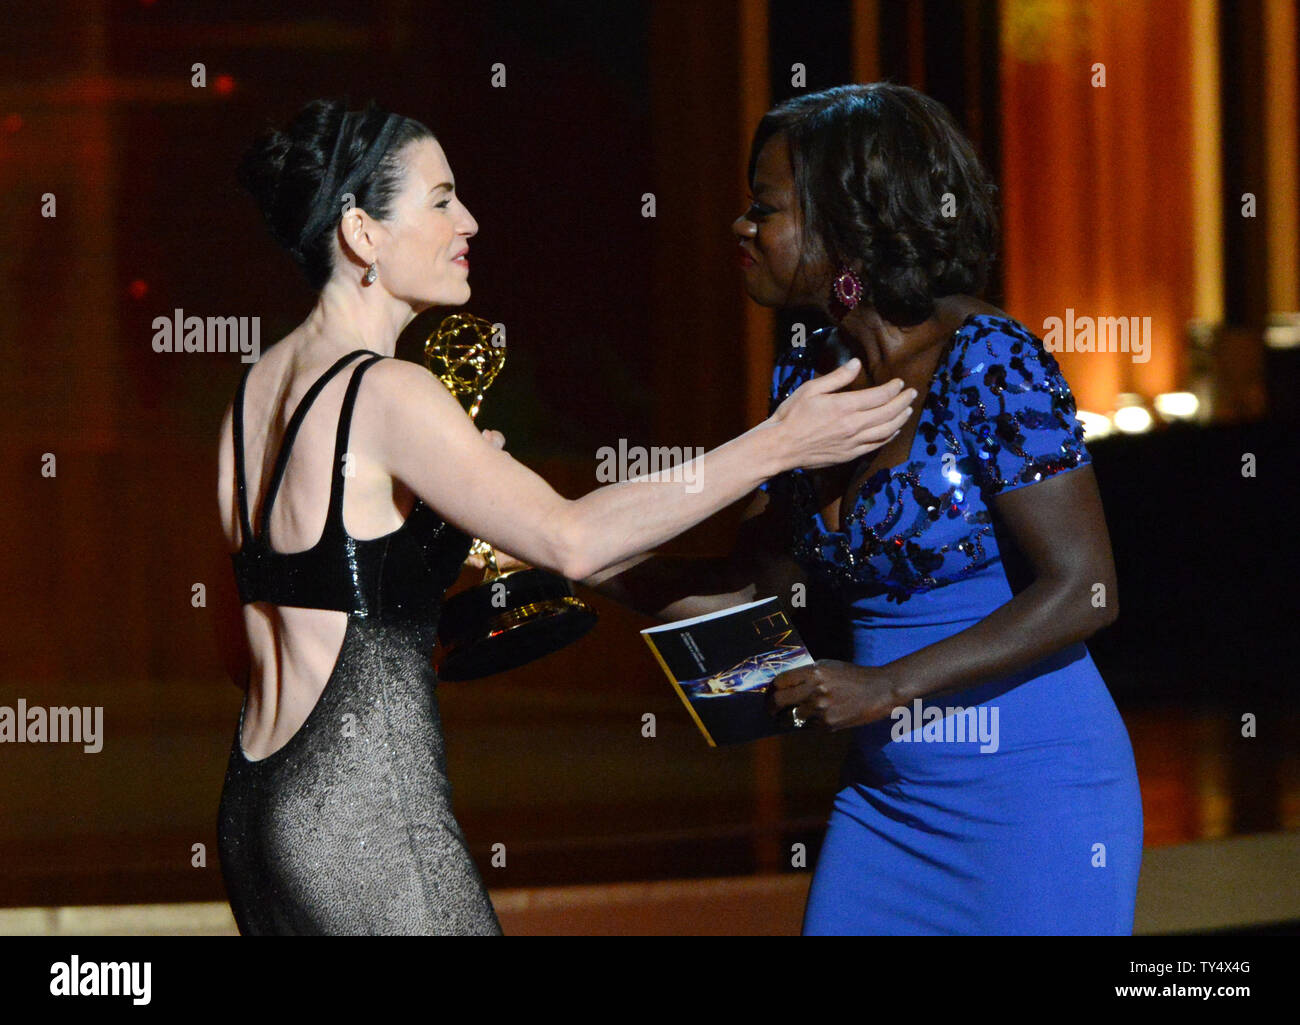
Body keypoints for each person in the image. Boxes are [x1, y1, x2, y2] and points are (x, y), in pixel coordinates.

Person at [213, 97, 918, 935]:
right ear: (363, 233)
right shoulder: (391, 391)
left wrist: (420, 573)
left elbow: (241, 644)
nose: (468, 220)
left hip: (256, 803)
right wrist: (776, 442)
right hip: (362, 810)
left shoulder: (252, 397)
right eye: (441, 201)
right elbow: (572, 538)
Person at [579, 83, 1143, 934]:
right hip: (885, 812)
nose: (741, 227)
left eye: (762, 208)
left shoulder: (990, 359)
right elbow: (749, 594)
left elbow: (1088, 589)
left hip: (1036, 800)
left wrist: (888, 685)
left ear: (846, 225)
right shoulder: (809, 376)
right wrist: (576, 555)